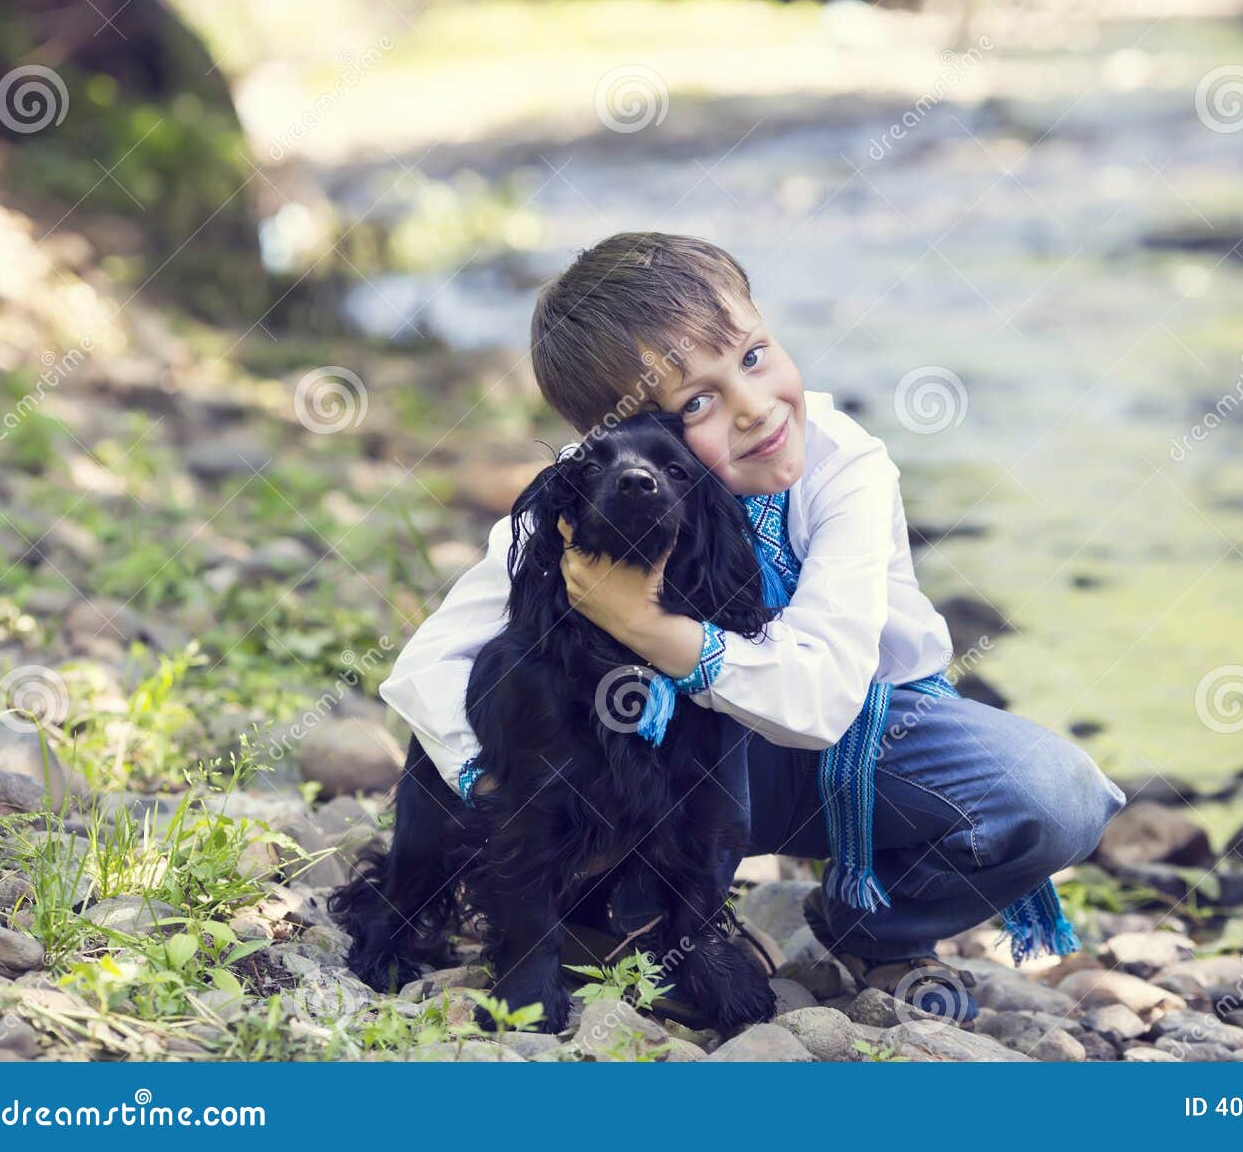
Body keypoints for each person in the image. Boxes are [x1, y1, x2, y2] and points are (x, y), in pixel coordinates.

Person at [378, 231, 1127, 1024]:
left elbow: (822, 696)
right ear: (621, 437)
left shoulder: (846, 464)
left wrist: (647, 627)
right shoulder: (598, 491)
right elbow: (426, 665)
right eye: (696, 402)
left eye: (754, 354)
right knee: (606, 716)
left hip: (861, 738)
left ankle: (871, 923)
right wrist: (490, 784)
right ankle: (641, 919)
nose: (754, 406)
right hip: (672, 770)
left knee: (1058, 796)